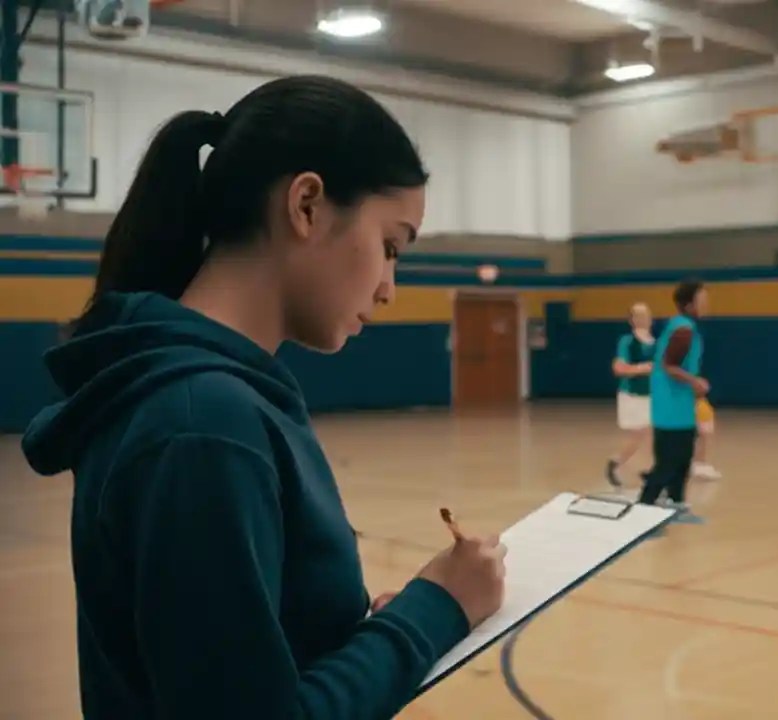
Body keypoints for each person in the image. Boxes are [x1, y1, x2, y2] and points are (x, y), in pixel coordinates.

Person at [20, 75, 507, 720]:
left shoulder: (211, 402)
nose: (389, 286)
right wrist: (433, 611)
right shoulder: (202, 425)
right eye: (390, 247)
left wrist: (378, 634)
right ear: (306, 204)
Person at [639, 278, 709, 524]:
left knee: (682, 461)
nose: (706, 303)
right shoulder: (683, 330)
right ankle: (642, 511)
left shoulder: (682, 326)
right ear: (689, 304)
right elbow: (669, 365)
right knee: (668, 463)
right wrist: (695, 381)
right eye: (702, 299)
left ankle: (676, 507)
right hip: (671, 408)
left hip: (679, 407)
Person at [607, 302, 655, 488]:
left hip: (652, 396)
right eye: (639, 315)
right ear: (632, 320)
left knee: (654, 433)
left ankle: (650, 471)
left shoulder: (655, 342)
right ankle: (616, 463)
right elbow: (619, 368)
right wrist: (642, 368)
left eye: (646, 314)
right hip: (633, 395)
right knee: (639, 435)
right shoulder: (627, 341)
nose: (644, 318)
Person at [692, 396, 722, 480]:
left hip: (696, 404)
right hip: (697, 405)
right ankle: (700, 465)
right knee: (704, 437)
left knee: (701, 438)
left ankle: (698, 464)